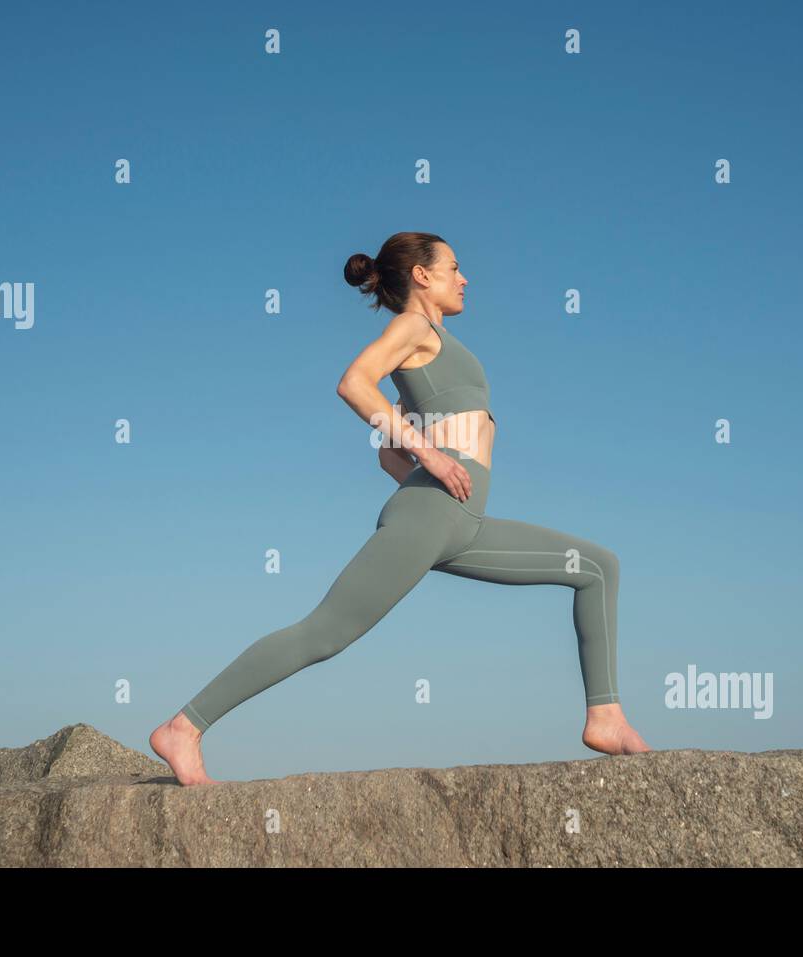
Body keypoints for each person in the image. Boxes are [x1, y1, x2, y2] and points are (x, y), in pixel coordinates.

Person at [151, 232, 650, 785]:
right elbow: (353, 383)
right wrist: (431, 458)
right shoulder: (413, 328)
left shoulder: (436, 339)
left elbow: (387, 455)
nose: (465, 278)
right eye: (455, 267)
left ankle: (605, 716)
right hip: (430, 512)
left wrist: (417, 457)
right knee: (324, 634)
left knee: (597, 567)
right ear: (422, 275)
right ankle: (184, 727)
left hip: (461, 520)